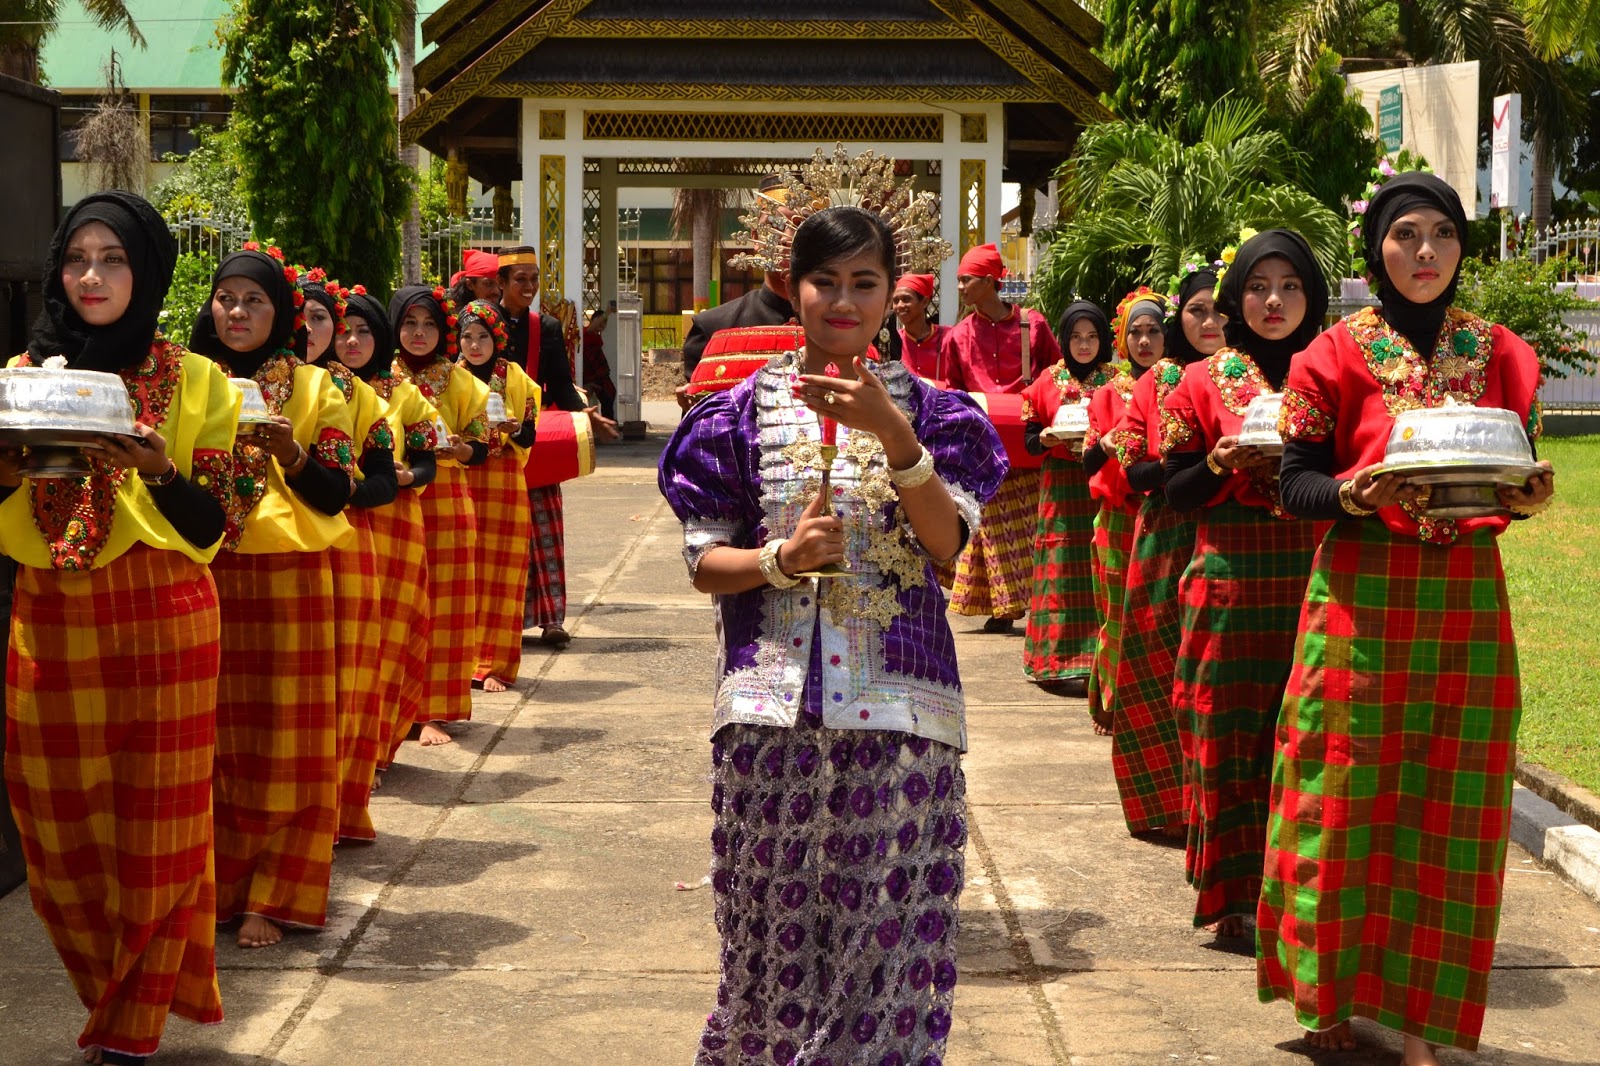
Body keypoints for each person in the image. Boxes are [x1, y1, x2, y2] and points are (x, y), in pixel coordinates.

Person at [659, 200, 1006, 1066]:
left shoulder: (936, 413)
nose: (844, 301)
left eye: (865, 282)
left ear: (894, 294)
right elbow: (704, 562)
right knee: (770, 944)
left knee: (882, 945)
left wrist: (892, 432)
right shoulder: (733, 416)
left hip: (902, 714)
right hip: (767, 711)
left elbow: (946, 544)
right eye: (826, 281)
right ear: (791, 288)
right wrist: (778, 558)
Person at [1258, 173, 1553, 1065]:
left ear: (1463, 248)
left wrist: (1531, 498)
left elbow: (1511, 471)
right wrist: (1359, 490)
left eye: (1442, 236)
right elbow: (1295, 482)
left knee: (1452, 806)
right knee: (1339, 800)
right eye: (1404, 236)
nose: (1424, 254)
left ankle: (1424, 1023)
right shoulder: (1332, 356)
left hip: (1465, 604)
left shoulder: (1502, 352)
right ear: (1375, 250)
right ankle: (1328, 998)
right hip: (1358, 600)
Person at [0, 192, 233, 1064]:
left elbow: (216, 525)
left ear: (147, 271)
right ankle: (108, 992)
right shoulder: (22, 375)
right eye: (77, 259)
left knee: (159, 824)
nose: (93, 277)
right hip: (51, 615)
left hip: (166, 610)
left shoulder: (196, 378)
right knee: (54, 826)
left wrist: (162, 466)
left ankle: (131, 1030)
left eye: (114, 259)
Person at [1159, 229, 1329, 938]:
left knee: (1311, 735)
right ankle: (1232, 895)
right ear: (1234, 301)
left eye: (1290, 287)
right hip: (1228, 574)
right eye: (1258, 287)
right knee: (1225, 731)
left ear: (1312, 299)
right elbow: (1175, 491)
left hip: (1320, 568)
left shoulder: (1337, 371)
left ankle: (1304, 897)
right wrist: (1223, 465)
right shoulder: (1196, 381)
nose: (1273, 301)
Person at [189, 243, 357, 950]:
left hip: (288, 580)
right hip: (203, 572)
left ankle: (274, 893)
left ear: (280, 311)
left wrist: (291, 454)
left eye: (253, 300)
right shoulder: (183, 381)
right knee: (212, 738)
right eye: (226, 297)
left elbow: (339, 488)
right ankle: (216, 888)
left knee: (287, 737)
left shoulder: (322, 389)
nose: (236, 311)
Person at [1103, 264, 1225, 837]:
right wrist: (1207, 468)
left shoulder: (1265, 373)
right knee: (1158, 662)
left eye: (1219, 310)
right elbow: (1136, 467)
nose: (1210, 321)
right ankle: (1166, 806)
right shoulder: (1157, 382)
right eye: (1197, 310)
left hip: (1241, 535)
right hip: (1169, 533)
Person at [303, 274, 399, 842]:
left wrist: (337, 493)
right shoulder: (228, 381)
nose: (314, 330)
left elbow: (384, 480)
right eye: (306, 317)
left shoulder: (361, 397)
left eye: (323, 320)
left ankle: (338, 805)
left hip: (346, 543)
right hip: (260, 554)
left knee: (346, 676)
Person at [496, 246, 619, 649]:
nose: (530, 286)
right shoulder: (479, 322)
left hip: (534, 440)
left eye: (534, 278)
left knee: (545, 531)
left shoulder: (544, 327)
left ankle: (551, 619)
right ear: (501, 283)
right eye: (521, 280)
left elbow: (562, 385)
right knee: (495, 538)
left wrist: (588, 415)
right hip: (484, 441)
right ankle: (497, 623)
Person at [341, 289, 440, 774]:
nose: (352, 340)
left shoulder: (405, 395)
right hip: (336, 525)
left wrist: (408, 477)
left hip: (395, 524)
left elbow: (427, 464)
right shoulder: (312, 386)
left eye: (364, 332)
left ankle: (379, 746)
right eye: (344, 331)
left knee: (392, 638)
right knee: (350, 645)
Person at [943, 243, 1063, 632]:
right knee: (994, 530)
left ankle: (1039, 601)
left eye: (967, 279)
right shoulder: (958, 337)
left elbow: (1057, 376)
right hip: (984, 445)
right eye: (959, 279)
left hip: (1029, 443)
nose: (960, 286)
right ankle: (1004, 608)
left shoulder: (1034, 325)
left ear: (991, 281)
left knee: (1032, 525)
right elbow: (951, 392)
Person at [391, 285, 490, 746]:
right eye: (410, 323)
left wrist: (464, 448)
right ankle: (396, 708)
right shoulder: (379, 377)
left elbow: (481, 447)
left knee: (447, 603)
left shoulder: (464, 381)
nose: (418, 333)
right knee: (399, 603)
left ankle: (433, 708)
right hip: (394, 498)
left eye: (429, 324)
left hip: (448, 498)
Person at [1018, 299, 1117, 698]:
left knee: (1101, 562)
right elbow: (1029, 439)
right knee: (1060, 564)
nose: (1084, 345)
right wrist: (1043, 439)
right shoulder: (1046, 381)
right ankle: (1054, 661)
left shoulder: (1116, 381)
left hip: (1101, 482)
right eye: (1076, 337)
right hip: (1061, 484)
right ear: (1064, 340)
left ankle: (1100, 658)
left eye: (1092, 337)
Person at [1082, 290, 1167, 726]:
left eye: (1154, 331)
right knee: (1117, 612)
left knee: (1159, 614)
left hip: (1168, 512)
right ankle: (1111, 700)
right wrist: (1106, 442)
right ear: (1122, 338)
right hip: (1119, 514)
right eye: (1135, 332)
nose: (1145, 341)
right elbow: (1087, 461)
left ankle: (1154, 705)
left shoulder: (1181, 383)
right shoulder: (1107, 393)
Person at [456, 299, 539, 693]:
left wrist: (514, 426)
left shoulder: (516, 377)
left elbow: (530, 435)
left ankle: (495, 666)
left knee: (502, 573)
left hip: (504, 482)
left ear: (497, 339)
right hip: (461, 479)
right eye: (467, 337)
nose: (475, 345)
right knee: (462, 572)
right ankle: (462, 660)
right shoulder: (450, 378)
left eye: (483, 337)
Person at [681, 174, 798, 378]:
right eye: (776, 226)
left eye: (800, 225)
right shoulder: (712, 329)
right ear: (755, 238)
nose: (787, 238)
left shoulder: (850, 326)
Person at [891, 273, 949, 381]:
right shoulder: (894, 341)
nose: (899, 305)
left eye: (906, 299)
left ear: (924, 302)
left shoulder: (948, 337)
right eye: (895, 301)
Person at [581, 308, 618, 423]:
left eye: (605, 323)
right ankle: (606, 422)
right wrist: (608, 312)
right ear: (594, 320)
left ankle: (608, 421)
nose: (602, 325)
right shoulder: (586, 332)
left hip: (599, 374)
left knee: (610, 393)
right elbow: (594, 325)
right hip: (590, 374)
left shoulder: (596, 335)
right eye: (601, 321)